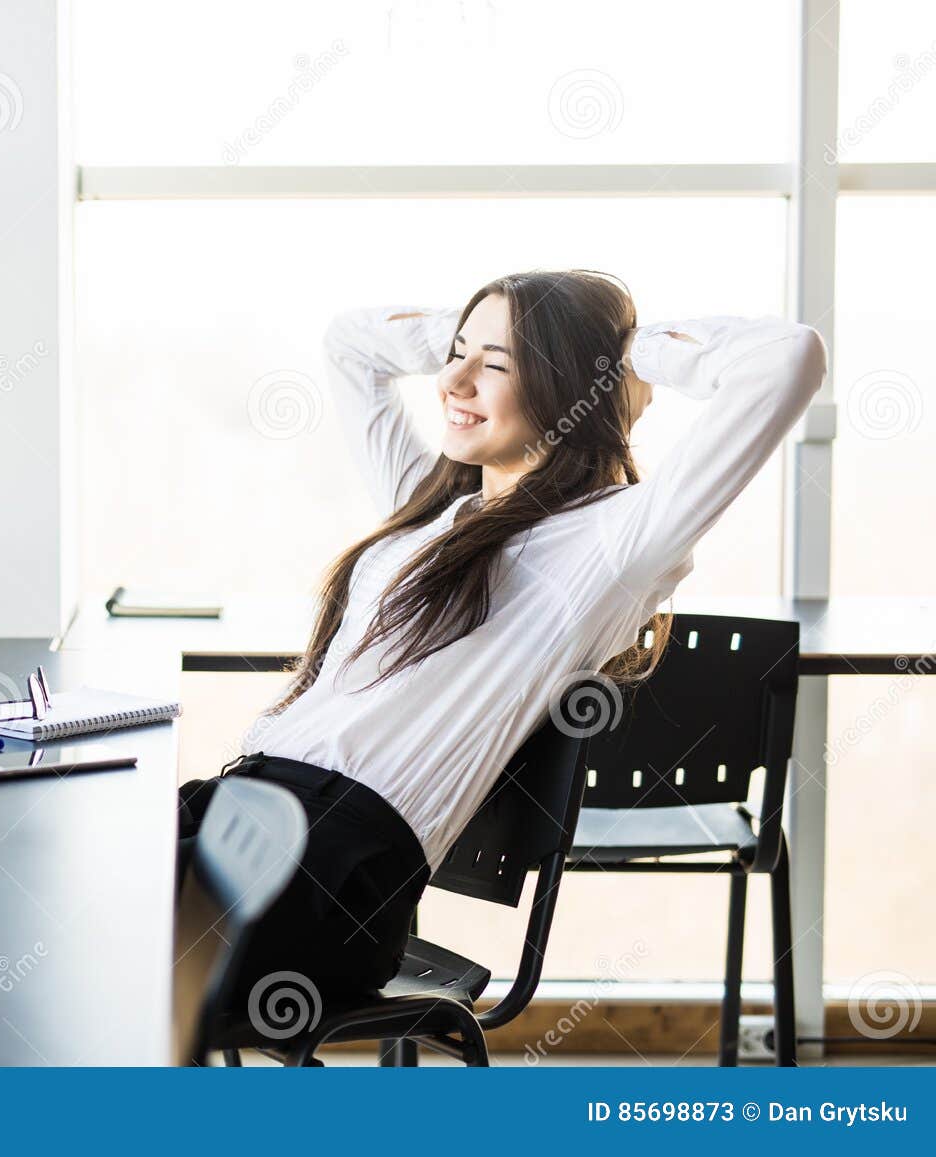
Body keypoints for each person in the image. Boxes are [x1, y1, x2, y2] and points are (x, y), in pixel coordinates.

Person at [177, 270, 827, 1013]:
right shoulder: (430, 508)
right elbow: (351, 342)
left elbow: (789, 356)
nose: (453, 380)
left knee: (97, 950)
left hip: (331, 866)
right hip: (235, 807)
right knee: (55, 897)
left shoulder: (613, 544)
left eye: (496, 365)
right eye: (456, 354)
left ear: (571, 385)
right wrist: (474, 334)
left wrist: (630, 354)